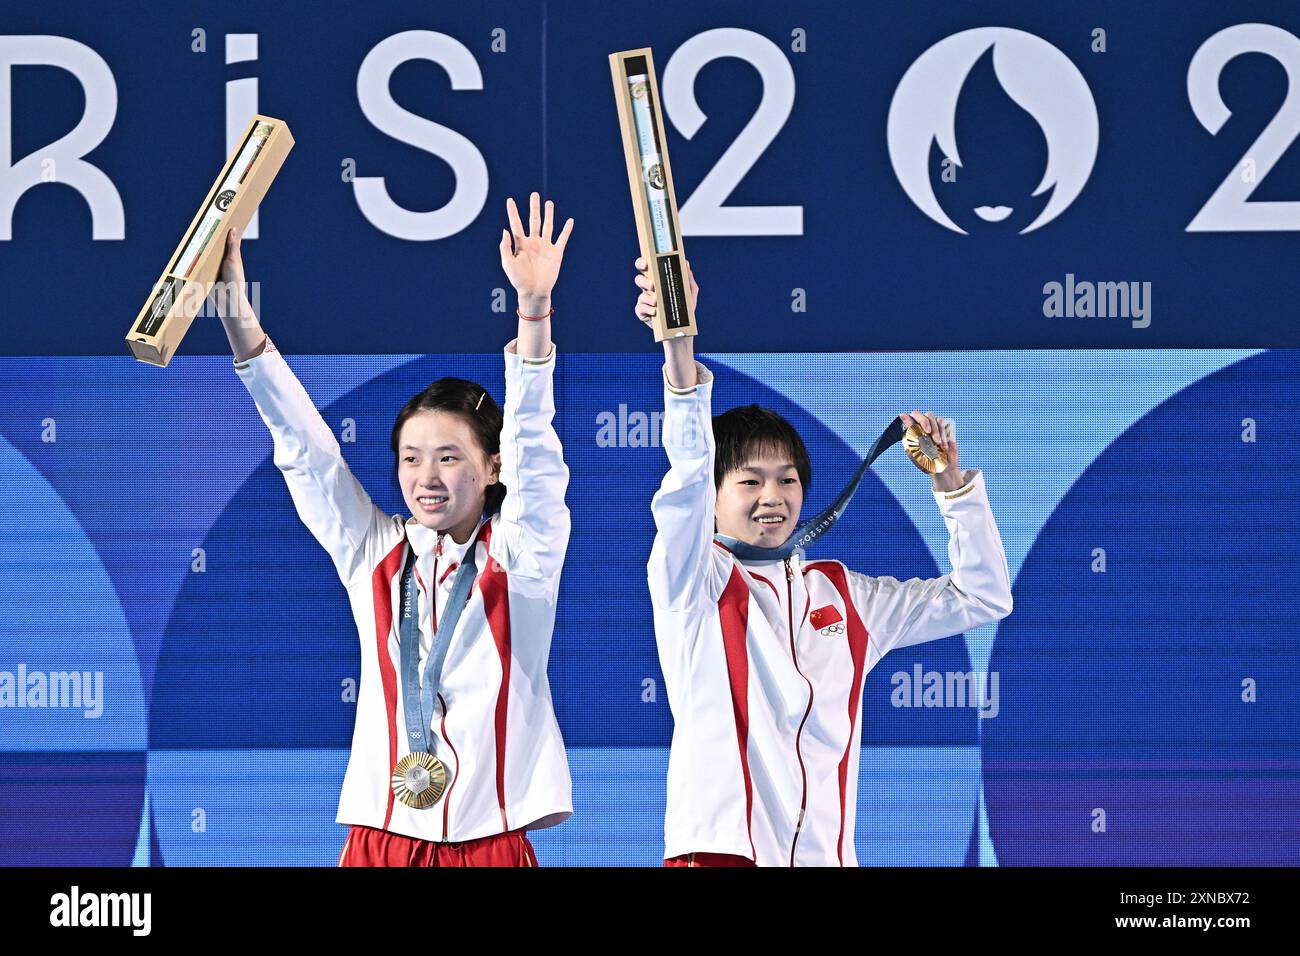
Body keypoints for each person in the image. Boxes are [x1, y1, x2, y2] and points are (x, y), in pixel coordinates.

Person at [215, 192, 575, 866]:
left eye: (449, 458)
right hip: (381, 840)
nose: (426, 477)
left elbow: (534, 442)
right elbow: (304, 446)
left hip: (492, 841)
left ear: (493, 468)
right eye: (411, 459)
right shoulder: (373, 552)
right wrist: (235, 312)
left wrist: (533, 312)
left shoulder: (525, 555)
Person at [633, 256, 1014, 867]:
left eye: (787, 480)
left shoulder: (844, 596)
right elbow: (686, 472)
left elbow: (984, 596)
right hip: (719, 858)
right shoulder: (694, 580)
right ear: (713, 497)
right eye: (749, 481)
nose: (772, 497)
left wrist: (951, 487)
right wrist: (680, 347)